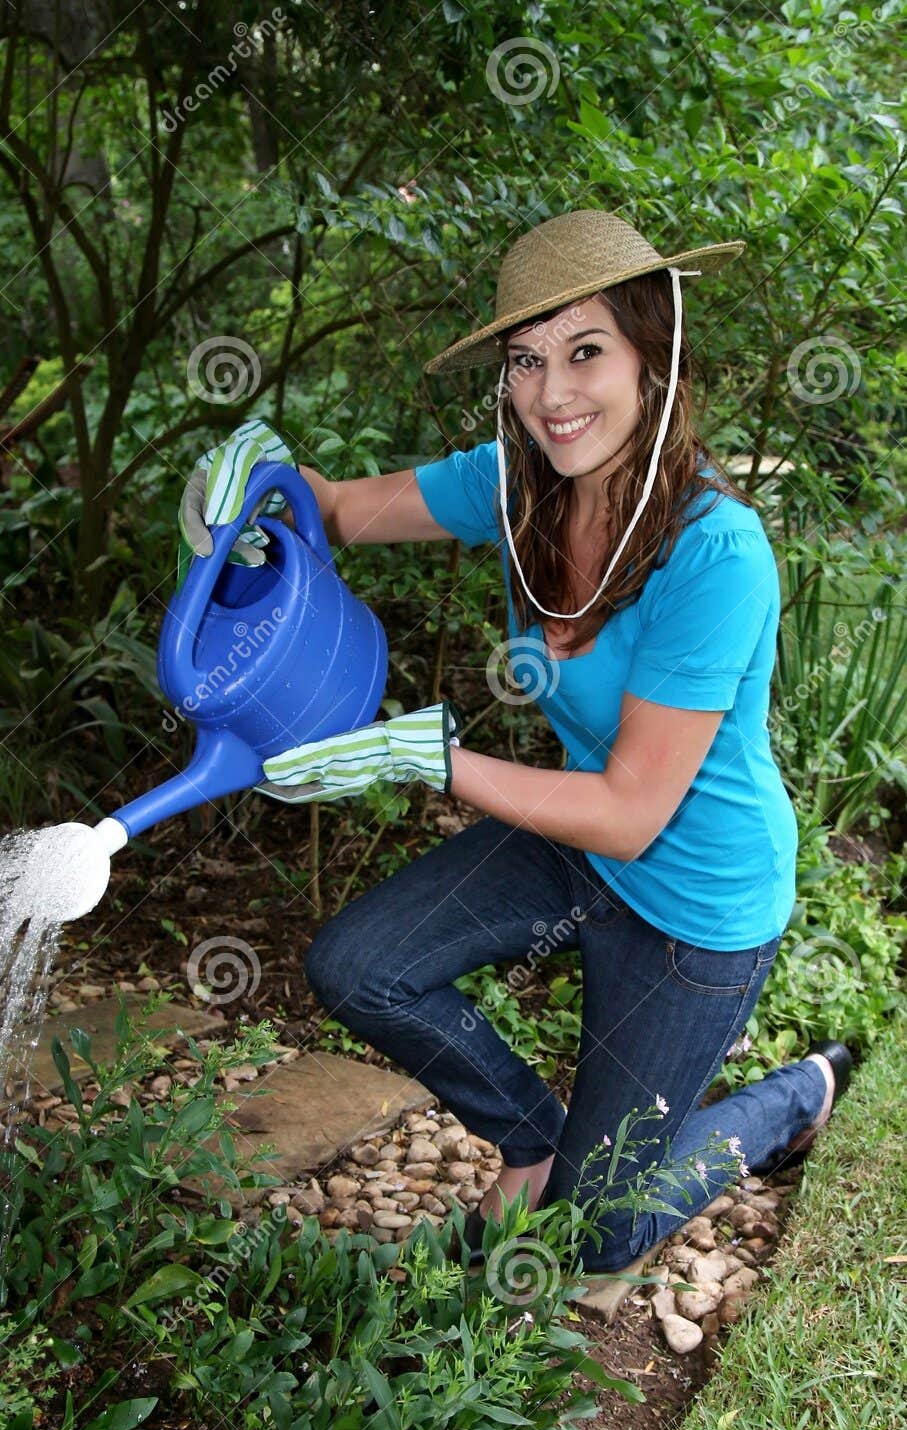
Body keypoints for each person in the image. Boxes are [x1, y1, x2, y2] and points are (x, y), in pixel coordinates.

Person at [188, 209, 853, 1274]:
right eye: (525, 361)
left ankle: (789, 1098)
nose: (551, 394)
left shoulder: (715, 553)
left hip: (694, 903)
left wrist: (420, 755)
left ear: (651, 356)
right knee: (360, 967)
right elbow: (339, 511)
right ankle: (534, 1141)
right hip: (576, 841)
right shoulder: (514, 484)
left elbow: (631, 815)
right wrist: (250, 490)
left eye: (585, 351)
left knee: (598, 1235)